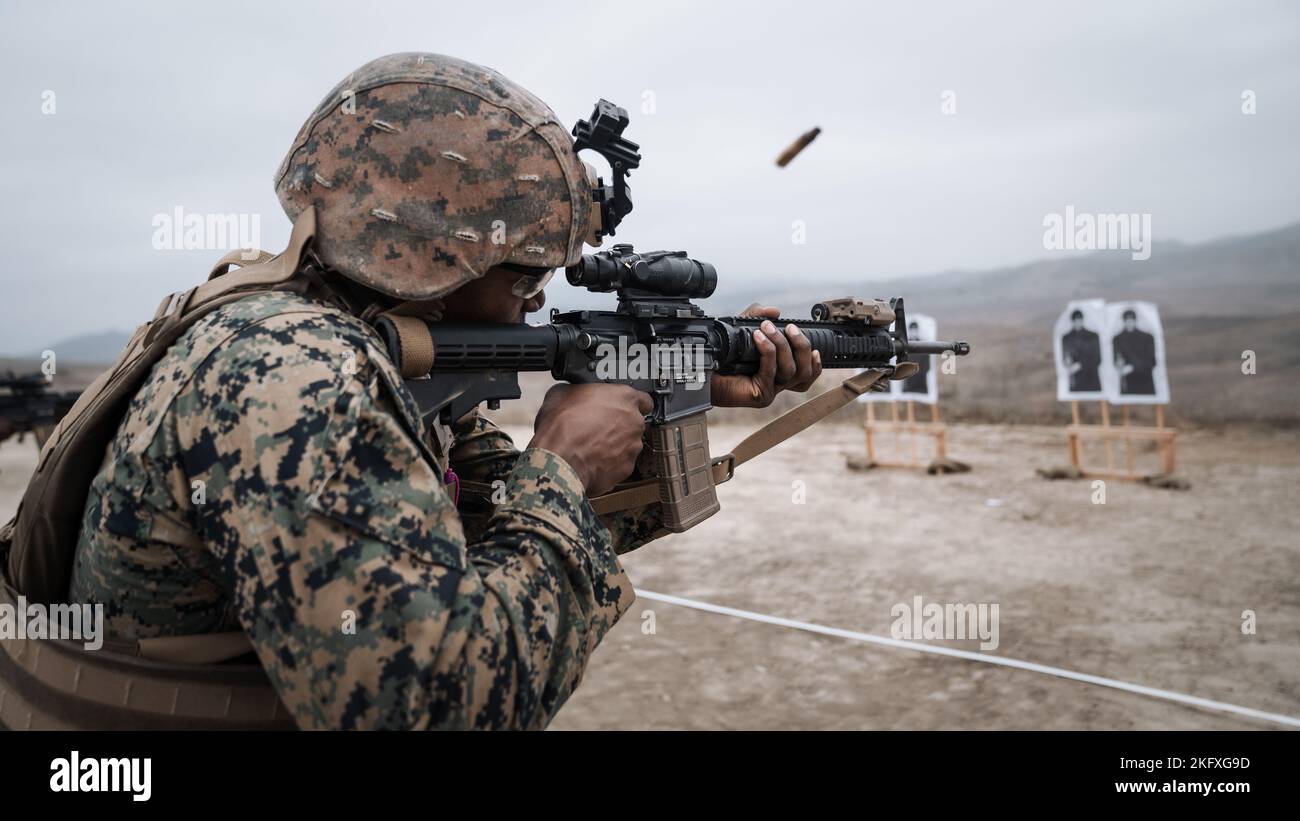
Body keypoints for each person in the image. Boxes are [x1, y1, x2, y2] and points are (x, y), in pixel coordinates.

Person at [63, 53, 820, 730]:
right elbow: (438, 705)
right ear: (433, 255)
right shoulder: (294, 380)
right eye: (524, 272)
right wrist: (563, 465)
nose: (537, 298)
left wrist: (668, 398)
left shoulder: (359, 355)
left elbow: (502, 537)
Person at [1112, 308, 1156, 395]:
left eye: (1131, 320)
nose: (1129, 323)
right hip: (1128, 383)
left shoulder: (1147, 338)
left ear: (1135, 321)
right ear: (1124, 321)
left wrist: (1133, 367)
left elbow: (1151, 361)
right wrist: (1118, 363)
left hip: (1145, 382)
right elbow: (1115, 358)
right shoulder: (1117, 339)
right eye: (1127, 320)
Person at [1061, 309, 1101, 392]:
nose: (1077, 323)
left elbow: (1097, 358)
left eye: (1079, 320)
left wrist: (1080, 365)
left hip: (1091, 377)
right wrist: (1066, 361)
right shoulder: (1066, 338)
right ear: (1072, 321)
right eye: (1075, 320)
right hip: (1076, 380)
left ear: (1082, 320)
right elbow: (1065, 356)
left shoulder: (1092, 336)